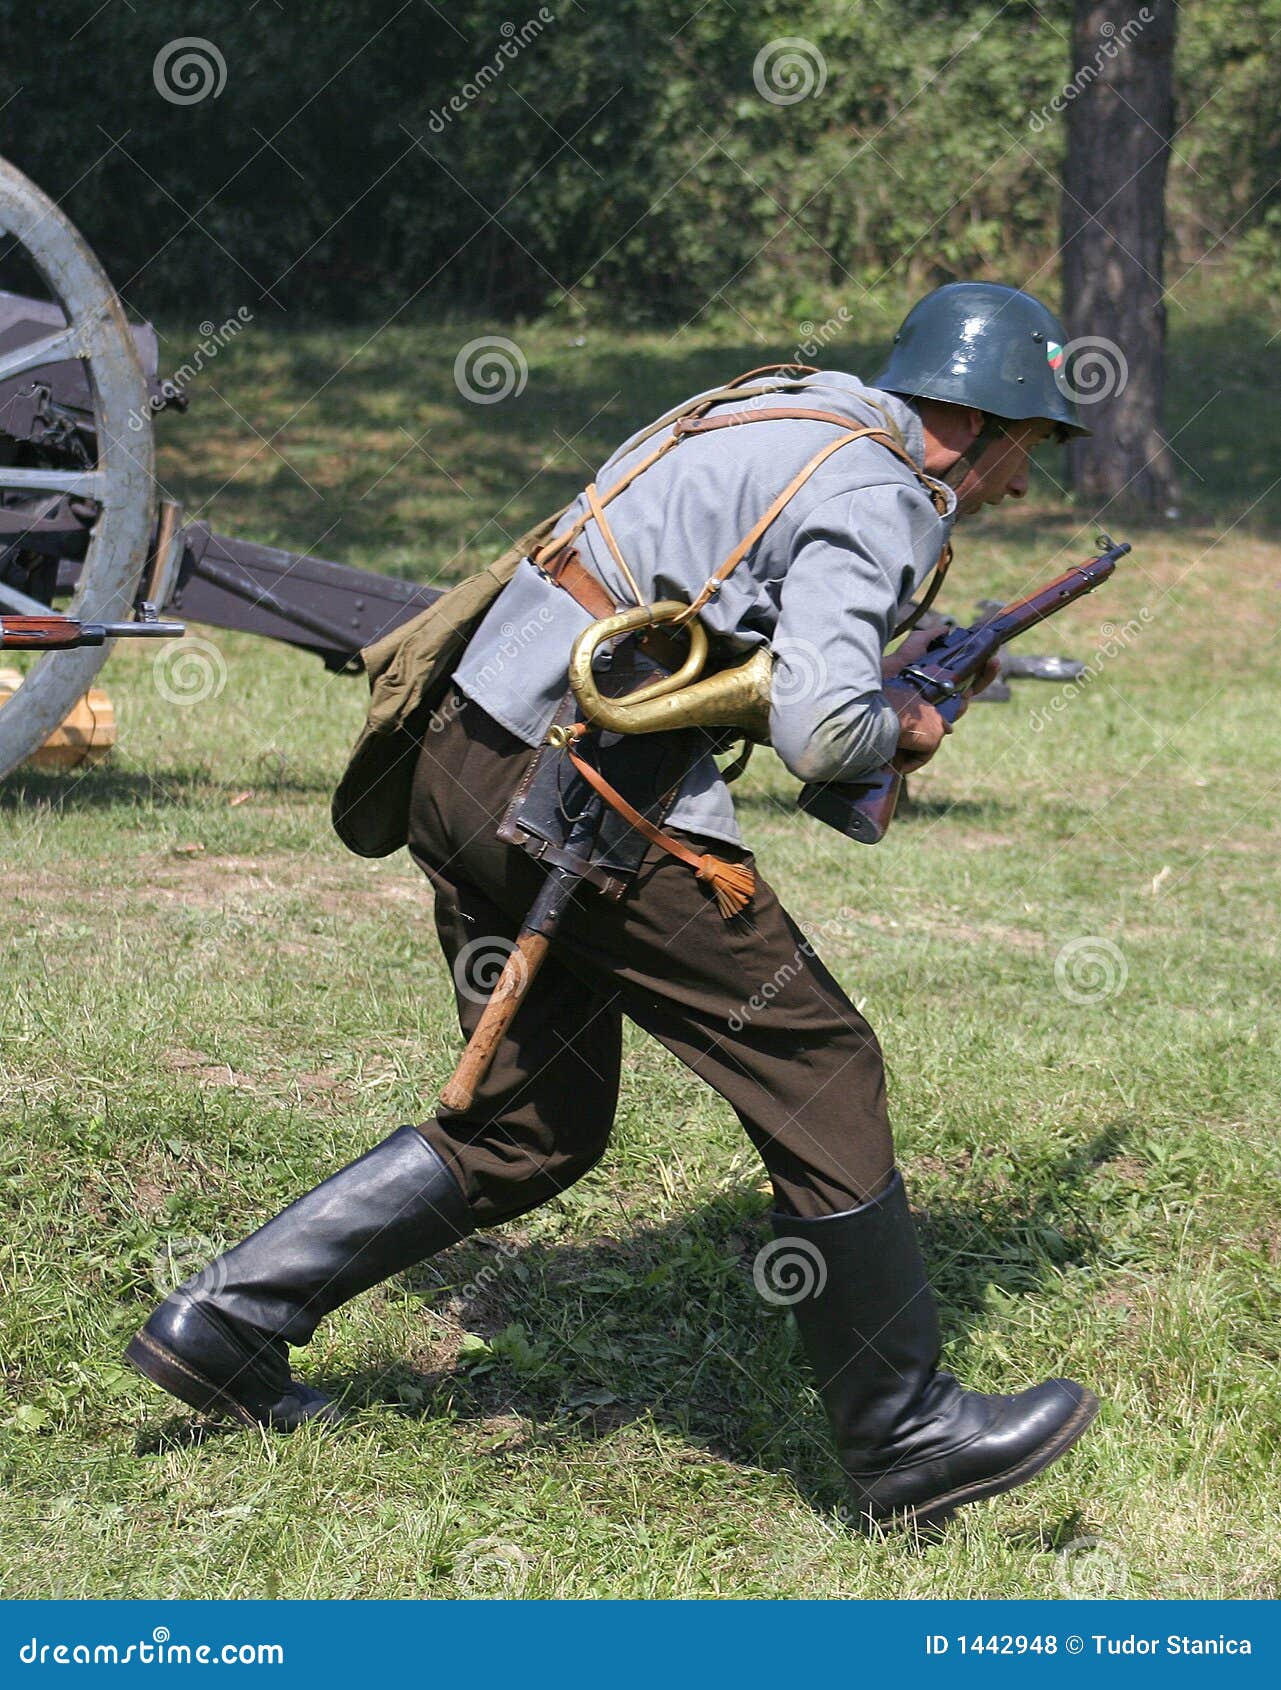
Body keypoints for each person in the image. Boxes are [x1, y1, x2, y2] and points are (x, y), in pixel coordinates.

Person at [128, 282, 1101, 1531]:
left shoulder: (781, 406)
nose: (1025, 485)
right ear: (977, 418)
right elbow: (821, 733)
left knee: (531, 1125)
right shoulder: (881, 490)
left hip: (464, 759)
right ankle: (906, 1435)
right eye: (1032, 446)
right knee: (823, 1063)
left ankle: (224, 1319)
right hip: (580, 797)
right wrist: (904, 719)